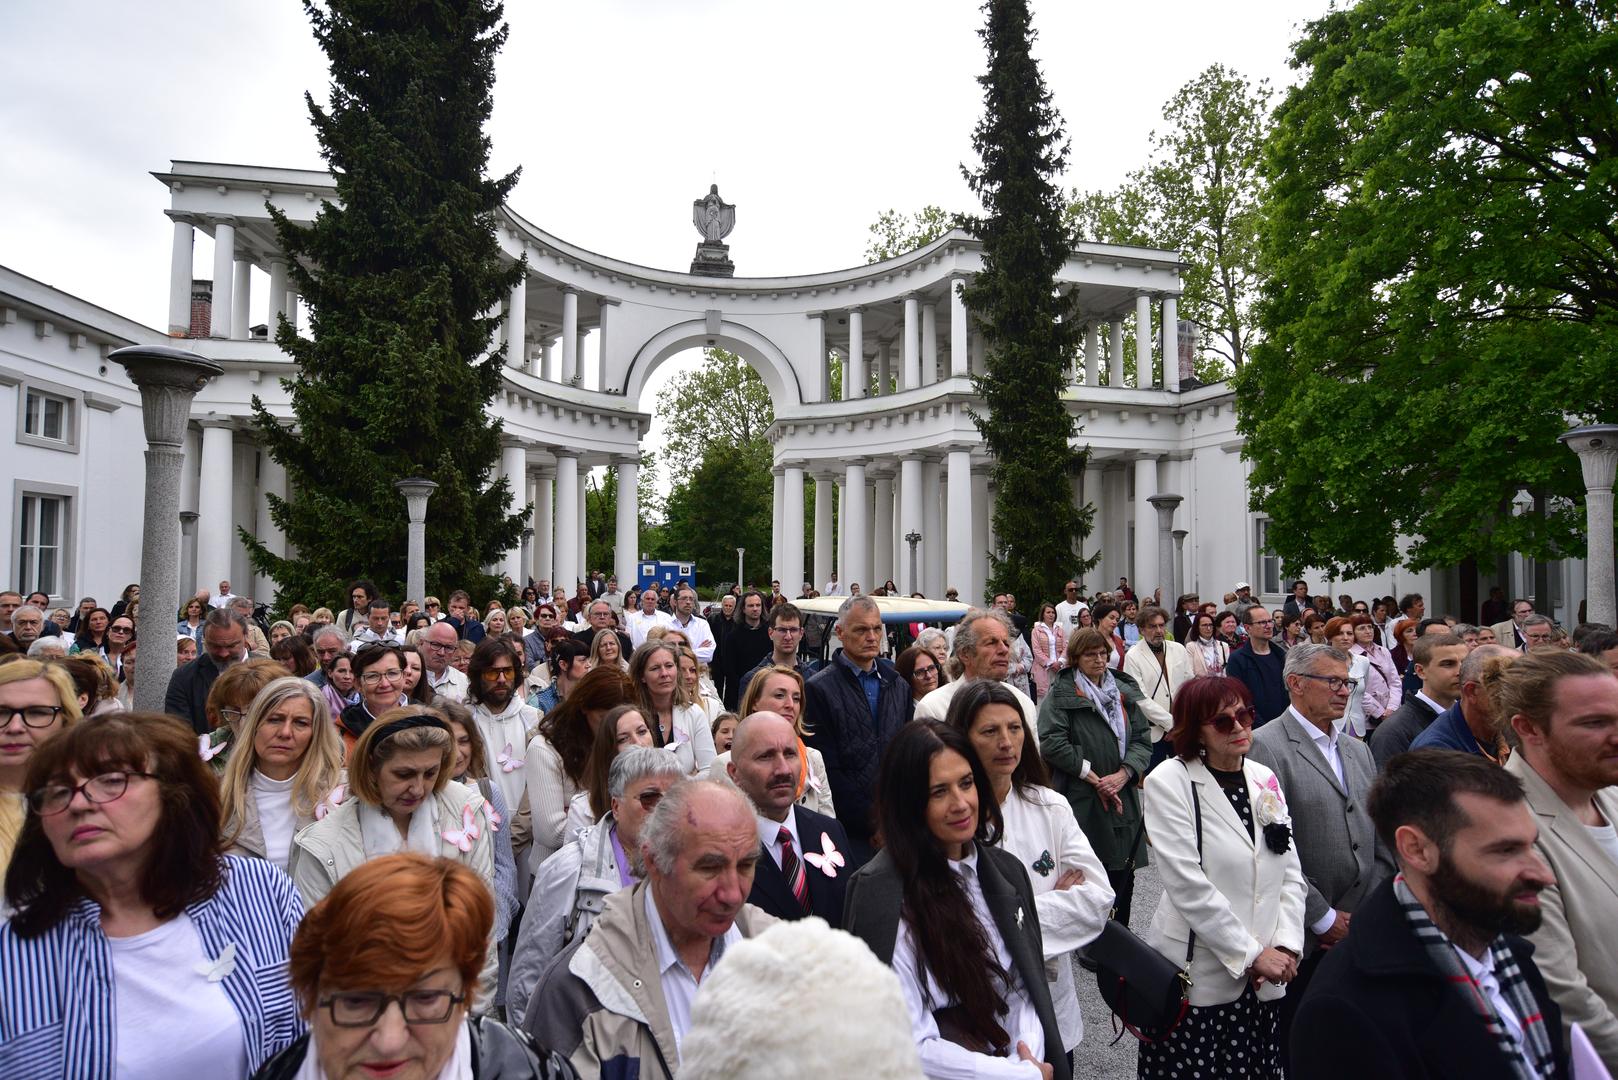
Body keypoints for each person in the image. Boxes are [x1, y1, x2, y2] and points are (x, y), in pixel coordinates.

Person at [0, 713, 305, 1079]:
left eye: (110, 781)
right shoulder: (15, 955)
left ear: (174, 793)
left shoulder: (259, 892)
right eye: (57, 792)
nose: (79, 804)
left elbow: (315, 1035)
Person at [1289, 750, 1566, 1080]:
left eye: (1531, 846)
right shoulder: (1345, 1013)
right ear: (1417, 849)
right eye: (1505, 851)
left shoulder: (1511, 956)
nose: (1544, 875)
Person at [842, 720, 1070, 1080]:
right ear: (908, 803)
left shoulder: (1007, 872)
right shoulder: (881, 897)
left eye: (966, 783)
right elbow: (908, 1043)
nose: (961, 804)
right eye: (939, 792)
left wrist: (1024, 1055)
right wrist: (1013, 1075)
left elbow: (1021, 987)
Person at [525, 779, 778, 1078]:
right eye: (710, 868)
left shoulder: (785, 958)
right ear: (654, 861)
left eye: (746, 865)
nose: (733, 894)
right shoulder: (579, 987)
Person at [252, 853, 577, 1080]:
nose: (389, 1041)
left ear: (463, 998)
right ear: (310, 1000)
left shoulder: (534, 1072)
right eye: (356, 1001)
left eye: (425, 998)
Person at [1139, 675, 1308, 1077]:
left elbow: (1290, 873)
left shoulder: (1263, 778)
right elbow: (1187, 884)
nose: (1239, 727)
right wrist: (1252, 955)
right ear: (1195, 730)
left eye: (1244, 715)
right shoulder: (1171, 781)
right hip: (1200, 977)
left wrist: (1287, 945)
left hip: (1264, 981)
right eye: (1222, 721)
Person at [945, 679, 1113, 1057]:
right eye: (990, 731)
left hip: (1052, 1008)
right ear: (962, 738)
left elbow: (1098, 899)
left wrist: (1003, 921)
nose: (1007, 742)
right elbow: (953, 926)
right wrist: (1049, 906)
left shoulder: (1050, 807)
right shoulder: (949, 819)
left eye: (1015, 728)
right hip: (979, 1017)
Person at [288, 707, 499, 1003]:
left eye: (430, 773)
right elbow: (314, 953)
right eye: (404, 774)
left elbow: (481, 926)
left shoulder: (467, 809)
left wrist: (469, 1013)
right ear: (372, 767)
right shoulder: (324, 844)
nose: (418, 788)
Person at [1246, 643, 1393, 1046]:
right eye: (1333, 682)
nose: (1344, 691)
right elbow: (1270, 846)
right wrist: (1325, 918)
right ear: (1296, 683)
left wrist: (1364, 912)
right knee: (1305, 1045)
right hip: (1305, 937)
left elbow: (1380, 835)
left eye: (1348, 683)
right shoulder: (1266, 746)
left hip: (1359, 930)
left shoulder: (1358, 749)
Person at [1499, 651, 1618, 1070]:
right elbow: (1561, 995)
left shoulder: (1610, 794)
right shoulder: (1504, 827)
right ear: (1528, 728)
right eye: (1595, 723)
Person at [507, 747, 683, 1030]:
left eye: (673, 798)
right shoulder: (567, 870)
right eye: (649, 798)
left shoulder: (692, 867)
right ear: (616, 806)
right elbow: (528, 981)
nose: (663, 809)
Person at [1037, 626, 1153, 928]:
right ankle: (1088, 941)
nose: (1099, 660)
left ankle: (1120, 937)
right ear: (1076, 658)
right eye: (1091, 655)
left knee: (1123, 875)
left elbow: (1142, 739)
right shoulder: (1061, 694)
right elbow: (1052, 742)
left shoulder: (1122, 692)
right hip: (1082, 797)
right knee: (1088, 872)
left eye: (1103, 653)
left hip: (1123, 793)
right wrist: (1095, 778)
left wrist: (1123, 774)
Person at [803, 595, 914, 868]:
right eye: (861, 629)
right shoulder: (819, 689)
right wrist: (873, 823)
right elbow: (827, 767)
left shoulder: (898, 685)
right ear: (840, 633)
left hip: (898, 821)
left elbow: (907, 755)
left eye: (876, 628)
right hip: (848, 829)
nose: (872, 637)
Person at [723, 710, 850, 923]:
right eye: (766, 756)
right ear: (734, 773)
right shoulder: (723, 850)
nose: (783, 769)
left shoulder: (830, 830)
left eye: (790, 754)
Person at [218, 676, 345, 872]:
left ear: (315, 733)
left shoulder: (344, 793)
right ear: (254, 725)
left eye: (300, 723)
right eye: (274, 719)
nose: (285, 732)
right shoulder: (213, 794)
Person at [523, 665, 638, 871]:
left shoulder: (625, 742)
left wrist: (576, 814)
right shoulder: (545, 749)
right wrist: (618, 815)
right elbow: (550, 833)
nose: (613, 729)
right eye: (604, 718)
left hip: (616, 869)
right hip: (560, 874)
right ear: (584, 707)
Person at [0, 658, 82, 874]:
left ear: (65, 721)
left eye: (37, 712)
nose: (15, 727)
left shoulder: (94, 799)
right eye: (1, 712)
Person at [916, 608, 1039, 727]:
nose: (1004, 650)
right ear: (965, 654)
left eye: (1006, 643)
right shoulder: (934, 708)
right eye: (991, 643)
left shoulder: (1023, 703)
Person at [467, 636, 541, 818]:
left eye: (507, 672)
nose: (501, 679)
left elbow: (540, 781)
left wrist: (520, 828)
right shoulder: (466, 721)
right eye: (492, 672)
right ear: (479, 675)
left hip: (526, 827)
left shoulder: (533, 719)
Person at [1370, 633, 1469, 768]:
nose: (1460, 671)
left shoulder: (1472, 717)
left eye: (1465, 663)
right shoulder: (1393, 731)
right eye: (1448, 664)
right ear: (1421, 671)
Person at [1410, 644, 1517, 760]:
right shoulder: (1436, 752)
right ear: (1472, 691)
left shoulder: (1510, 729)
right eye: (1510, 689)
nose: (1523, 699)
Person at [630, 640, 715, 776]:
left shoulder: (694, 714)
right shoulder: (630, 717)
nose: (664, 673)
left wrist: (681, 784)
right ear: (642, 676)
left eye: (669, 666)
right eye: (655, 668)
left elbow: (710, 769)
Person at [1122, 604, 1195, 764]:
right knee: (1154, 776)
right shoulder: (1133, 656)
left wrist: (1183, 722)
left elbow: (1190, 686)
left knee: (1187, 772)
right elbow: (1139, 698)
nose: (1159, 630)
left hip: (1182, 728)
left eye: (1161, 625)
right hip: (1152, 732)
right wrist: (1171, 724)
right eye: (1152, 626)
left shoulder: (1178, 649)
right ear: (1141, 630)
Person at [165, 608, 251, 734]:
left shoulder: (271, 673)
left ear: (246, 637)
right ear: (204, 639)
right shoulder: (184, 677)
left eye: (231, 646)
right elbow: (178, 733)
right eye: (215, 646)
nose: (223, 653)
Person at [735, 600, 820, 702]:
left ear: (801, 633)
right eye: (782, 630)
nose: (788, 637)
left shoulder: (813, 680)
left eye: (793, 630)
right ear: (770, 633)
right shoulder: (752, 680)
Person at [338, 643, 409, 749]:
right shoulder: (340, 735)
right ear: (358, 684)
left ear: (404, 677)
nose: (384, 684)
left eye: (392, 673)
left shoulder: (427, 720)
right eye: (372, 676)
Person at [1227, 603, 1289, 725]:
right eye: (1262, 622)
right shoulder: (1238, 660)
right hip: (1256, 728)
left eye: (1270, 621)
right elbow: (1240, 699)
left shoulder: (1281, 655)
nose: (1268, 626)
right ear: (1247, 628)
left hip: (1284, 724)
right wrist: (1262, 728)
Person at [718, 590, 770, 710]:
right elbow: (729, 668)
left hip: (765, 689)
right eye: (751, 605)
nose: (755, 609)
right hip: (739, 692)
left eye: (758, 605)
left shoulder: (770, 633)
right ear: (743, 609)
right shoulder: (733, 635)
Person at [1350, 612, 1402, 729]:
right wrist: (1380, 713)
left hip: (1391, 713)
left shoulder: (1383, 651)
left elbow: (1395, 682)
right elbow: (1357, 689)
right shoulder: (1350, 655)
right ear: (1353, 632)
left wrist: (1392, 708)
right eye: (1362, 628)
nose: (1368, 631)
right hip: (1366, 717)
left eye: (1370, 627)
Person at [531, 636, 588, 714]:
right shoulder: (540, 701)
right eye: (582, 660)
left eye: (588, 660)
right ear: (563, 665)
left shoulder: (590, 695)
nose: (589, 665)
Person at [1031, 602, 1067, 702]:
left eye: (1053, 612)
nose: (1051, 614)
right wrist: (1050, 663)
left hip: (1059, 667)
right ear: (1043, 614)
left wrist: (1060, 662)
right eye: (1048, 612)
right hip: (1043, 668)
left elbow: (1066, 647)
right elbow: (1036, 650)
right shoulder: (1036, 631)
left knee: (1059, 697)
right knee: (1043, 698)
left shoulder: (1060, 629)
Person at [1185, 611, 1231, 677]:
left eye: (1210, 625)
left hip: (1220, 682)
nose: (1208, 628)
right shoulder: (1191, 646)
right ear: (1197, 627)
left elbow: (1227, 670)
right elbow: (1190, 672)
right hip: (1200, 682)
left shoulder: (1223, 646)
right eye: (1204, 625)